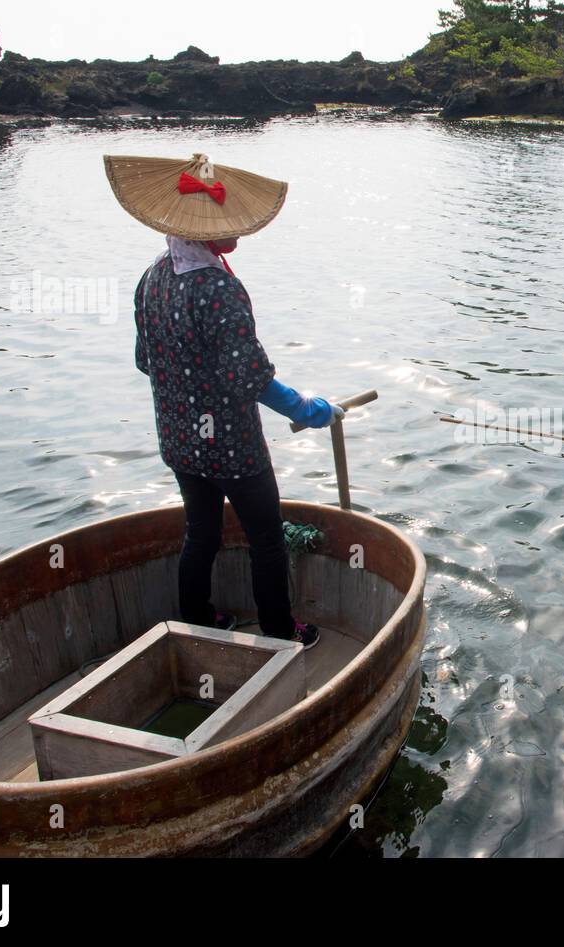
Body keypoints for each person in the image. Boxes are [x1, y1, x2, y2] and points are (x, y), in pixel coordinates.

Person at [105, 152, 341, 648]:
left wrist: (191, 388)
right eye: (228, 223)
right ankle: (281, 631)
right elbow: (250, 376)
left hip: (179, 441)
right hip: (232, 447)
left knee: (202, 532)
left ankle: (199, 618)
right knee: (268, 541)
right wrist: (310, 410)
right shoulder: (216, 288)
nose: (239, 231)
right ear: (207, 230)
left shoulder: (154, 276)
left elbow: (145, 361)